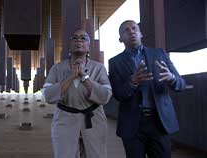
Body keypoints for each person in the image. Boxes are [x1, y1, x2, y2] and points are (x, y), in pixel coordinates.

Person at [108, 20, 186, 158]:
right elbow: (118, 94)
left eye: (134, 28)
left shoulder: (159, 54)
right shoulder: (114, 62)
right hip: (132, 124)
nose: (131, 32)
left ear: (141, 33)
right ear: (120, 39)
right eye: (126, 30)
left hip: (159, 122)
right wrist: (132, 82)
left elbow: (181, 84)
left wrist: (171, 78)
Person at [42, 29, 112, 158]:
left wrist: (84, 78)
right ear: (70, 45)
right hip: (64, 118)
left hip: (93, 118)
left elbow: (105, 96)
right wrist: (71, 77)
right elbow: (48, 95)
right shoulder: (57, 68)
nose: (79, 40)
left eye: (83, 38)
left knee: (96, 154)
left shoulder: (99, 68)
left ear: (88, 46)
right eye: (75, 38)